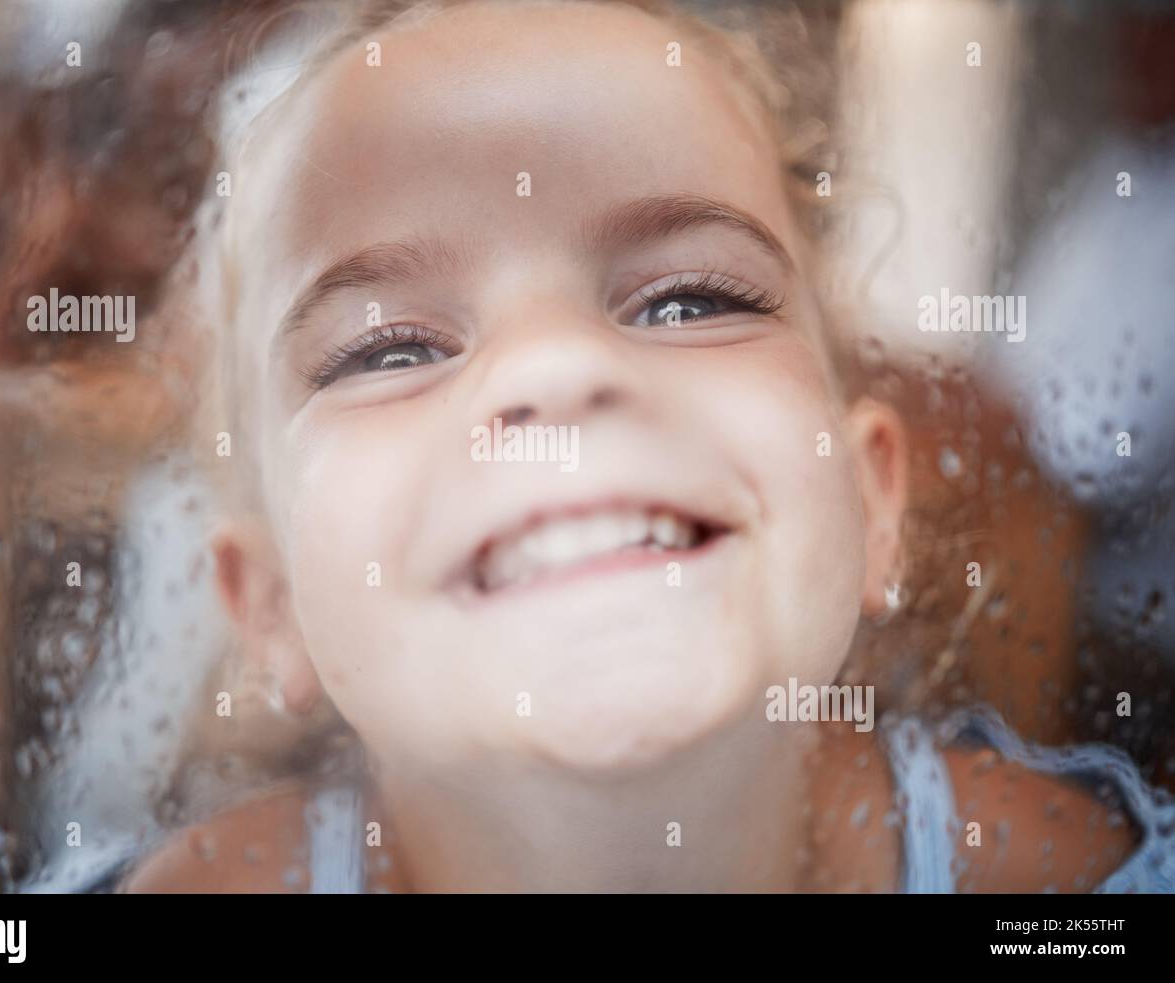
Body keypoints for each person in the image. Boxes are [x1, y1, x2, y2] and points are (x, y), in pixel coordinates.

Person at [121, 0, 1174, 892]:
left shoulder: (1054, 872)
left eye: (689, 299)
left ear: (870, 503)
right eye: (387, 349)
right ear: (270, 603)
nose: (556, 366)